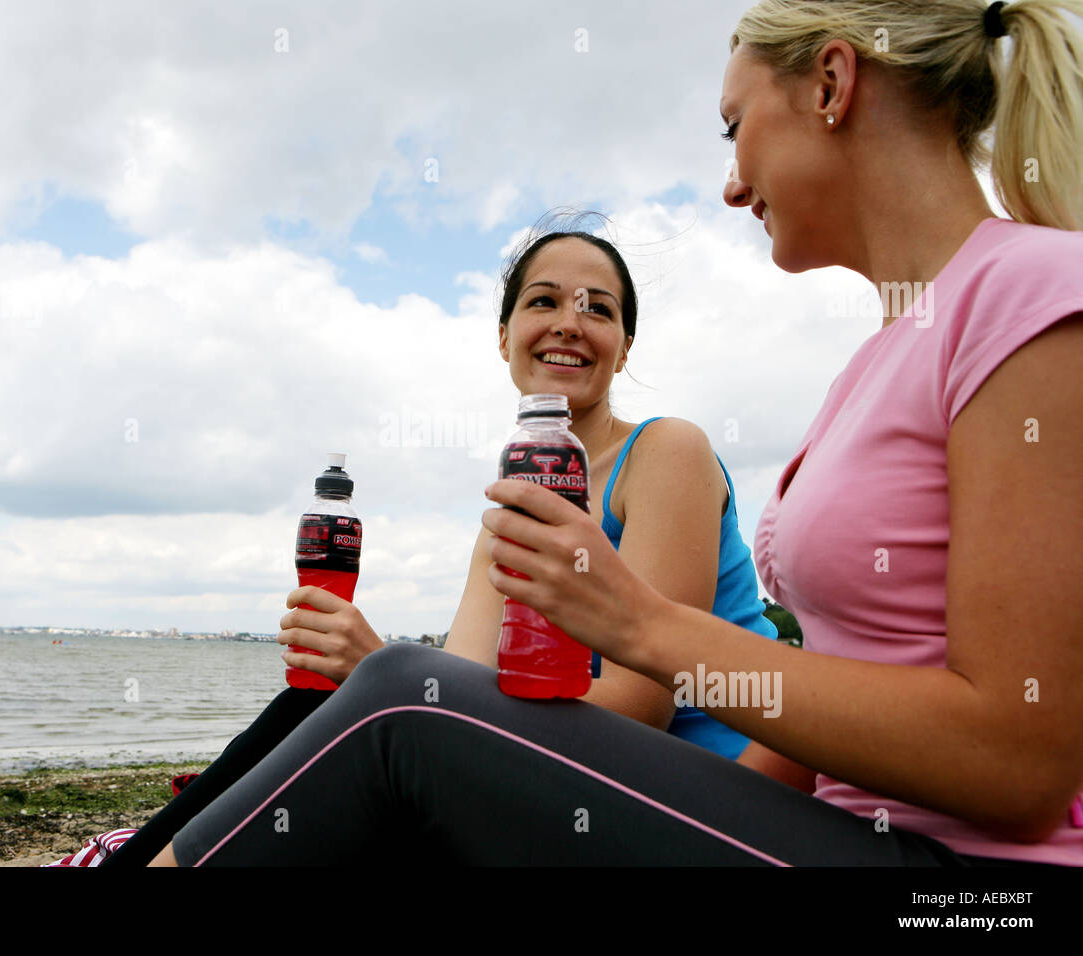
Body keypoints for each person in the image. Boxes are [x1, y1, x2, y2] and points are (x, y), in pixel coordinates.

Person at [149, 0, 1083, 867]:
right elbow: (826, 708)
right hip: (826, 829)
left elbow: (1019, 763)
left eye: (734, 126)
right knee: (373, 703)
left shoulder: (1029, 292)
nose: (730, 184)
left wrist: (635, 625)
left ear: (832, 86)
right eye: (542, 303)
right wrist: (671, 820)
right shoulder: (874, 361)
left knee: (394, 707)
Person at [82, 217, 779, 867]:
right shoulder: (511, 501)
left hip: (693, 790)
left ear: (625, 347)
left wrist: (387, 674)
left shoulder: (665, 451)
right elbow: (469, 689)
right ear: (503, 336)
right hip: (573, 777)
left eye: (599, 308)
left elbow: (643, 704)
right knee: (318, 697)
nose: (570, 322)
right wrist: (370, 669)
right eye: (543, 302)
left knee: (375, 691)